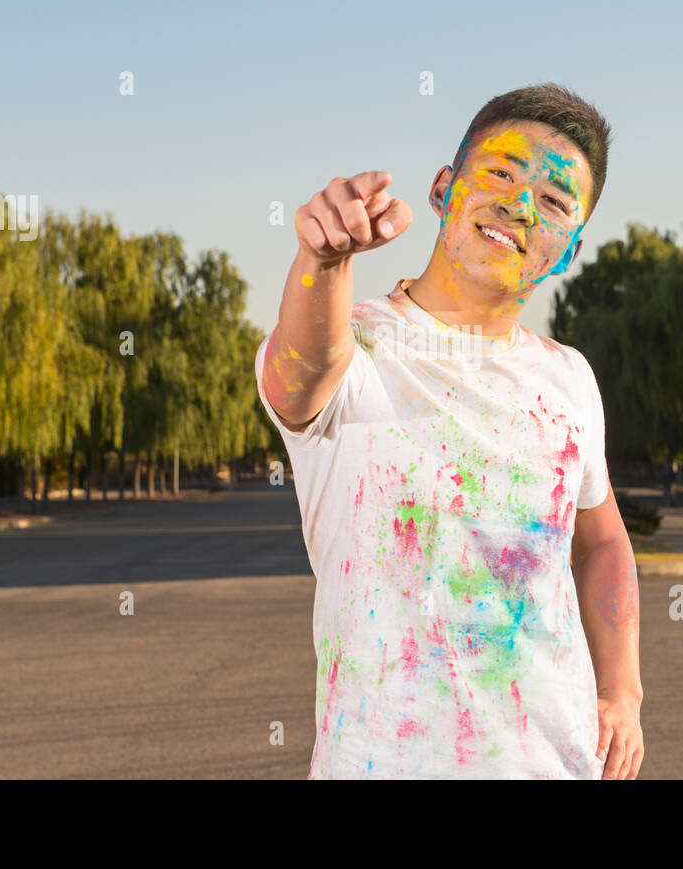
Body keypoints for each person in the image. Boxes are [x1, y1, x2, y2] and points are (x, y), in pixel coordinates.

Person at [255, 83, 644, 779]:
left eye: (554, 202)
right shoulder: (357, 346)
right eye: (500, 172)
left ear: (571, 247)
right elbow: (298, 375)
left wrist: (622, 691)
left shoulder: (570, 378)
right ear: (444, 187)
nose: (521, 204)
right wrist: (324, 260)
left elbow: (604, 536)